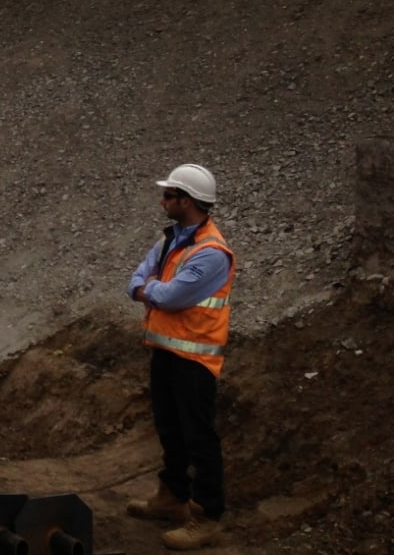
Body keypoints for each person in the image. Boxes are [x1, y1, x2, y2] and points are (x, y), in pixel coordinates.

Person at [126, 163, 235, 551]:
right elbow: (134, 281)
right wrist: (151, 287)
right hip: (166, 352)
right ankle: (172, 496)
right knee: (170, 429)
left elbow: (170, 296)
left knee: (199, 437)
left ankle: (207, 514)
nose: (163, 201)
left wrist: (150, 288)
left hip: (194, 361)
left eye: (169, 196)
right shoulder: (171, 239)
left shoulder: (211, 253)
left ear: (187, 201)